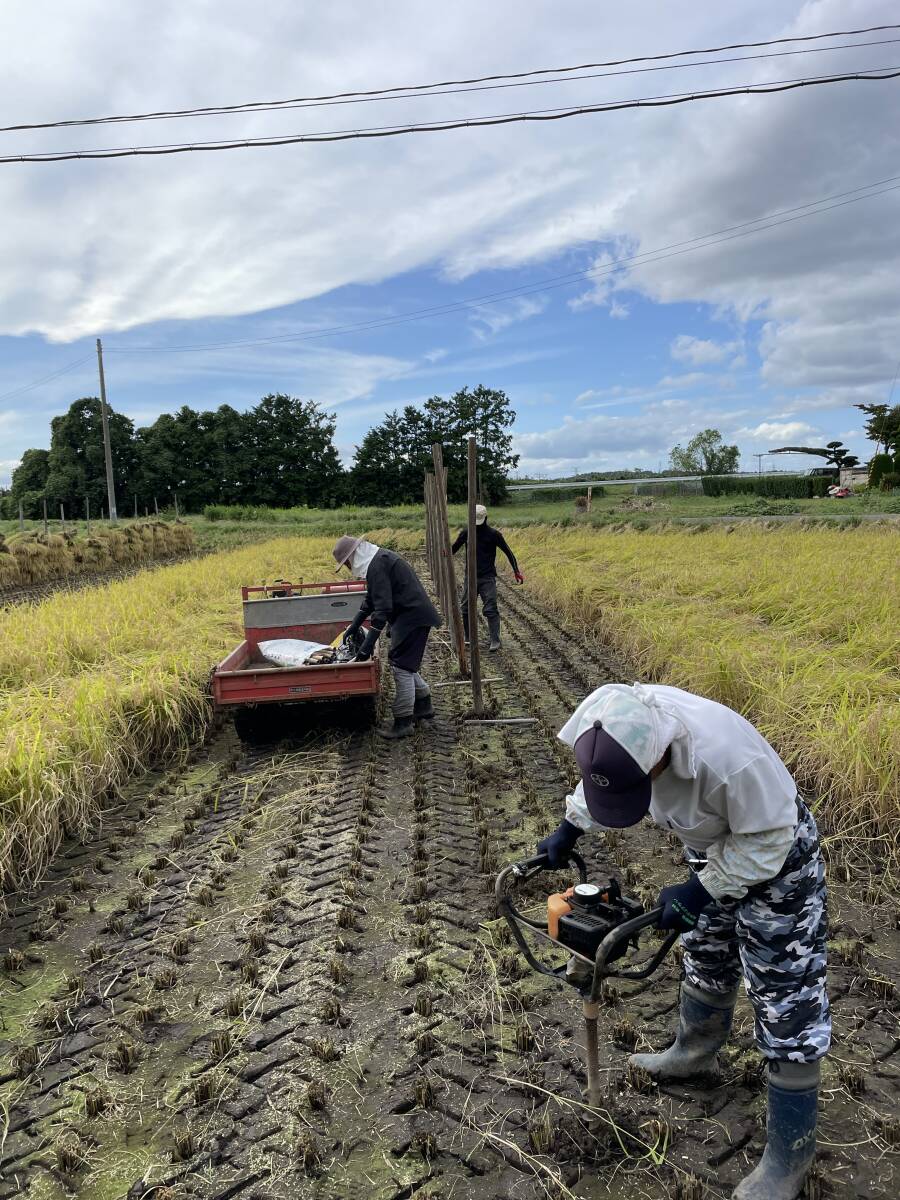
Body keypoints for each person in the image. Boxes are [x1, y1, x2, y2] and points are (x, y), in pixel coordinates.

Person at [537, 682, 829, 1200]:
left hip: (774, 850)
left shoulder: (728, 761)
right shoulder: (616, 721)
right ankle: (695, 1052)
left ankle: (791, 1153)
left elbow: (767, 840)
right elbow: (607, 772)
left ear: (660, 759)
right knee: (707, 949)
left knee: (787, 990)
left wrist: (702, 888)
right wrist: (570, 828)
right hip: (713, 845)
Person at [332, 536, 441, 740]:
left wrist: (366, 647)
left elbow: (382, 609)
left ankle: (403, 722)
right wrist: (355, 624)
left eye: (346, 563)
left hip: (412, 618)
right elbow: (372, 598)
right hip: (412, 616)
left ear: (353, 556)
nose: (347, 567)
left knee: (401, 666)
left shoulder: (377, 564)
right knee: (405, 664)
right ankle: (424, 705)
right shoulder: (378, 560)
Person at [451, 504, 523, 651]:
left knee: (490, 609)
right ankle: (468, 638)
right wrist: (444, 552)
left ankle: (495, 640)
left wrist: (516, 570)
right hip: (470, 578)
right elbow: (453, 549)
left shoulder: (494, 534)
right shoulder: (466, 533)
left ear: (486, 518)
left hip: (487, 577)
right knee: (465, 608)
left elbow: (508, 552)